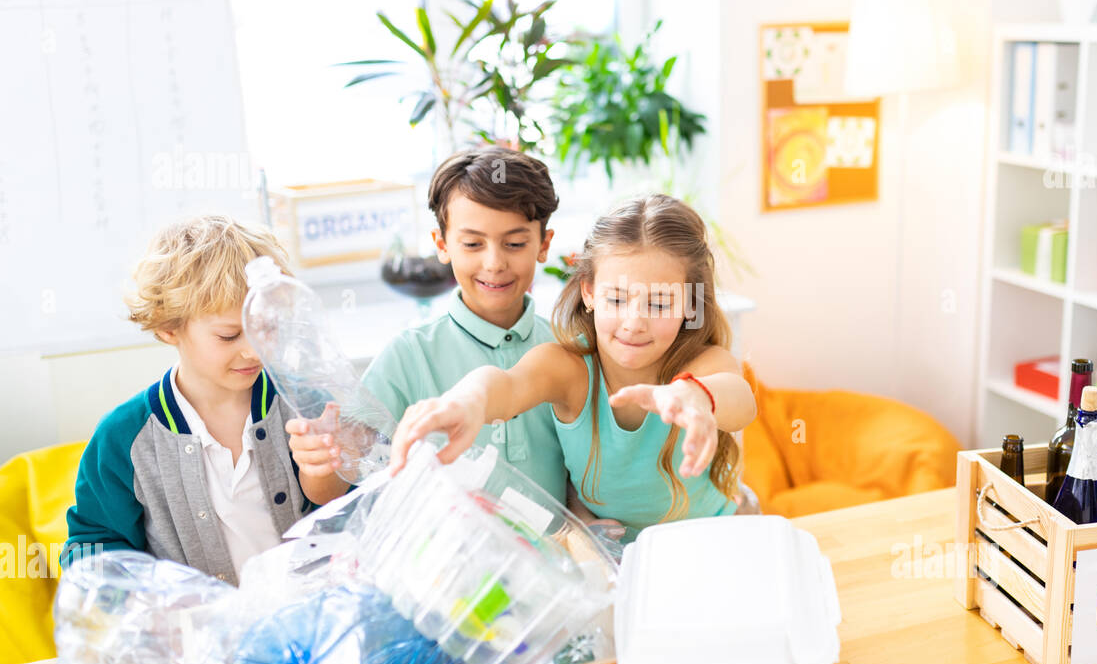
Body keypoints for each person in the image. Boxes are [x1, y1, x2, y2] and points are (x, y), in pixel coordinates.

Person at [388, 194, 757, 542]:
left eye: (659, 304)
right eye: (616, 298)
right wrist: (468, 402)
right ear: (589, 292)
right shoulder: (568, 368)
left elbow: (739, 399)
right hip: (616, 559)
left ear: (691, 303)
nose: (634, 322)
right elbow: (507, 385)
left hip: (714, 539)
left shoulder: (700, 362)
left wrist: (695, 395)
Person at [286, 146, 570, 508]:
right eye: (472, 244)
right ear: (442, 245)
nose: (494, 262)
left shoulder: (567, 348)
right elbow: (327, 491)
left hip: (557, 559)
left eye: (514, 243)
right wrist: (320, 461)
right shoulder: (409, 355)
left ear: (544, 245)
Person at [61, 216, 309, 584]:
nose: (254, 350)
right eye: (229, 336)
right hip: (197, 635)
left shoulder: (302, 404)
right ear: (168, 326)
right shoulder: (123, 438)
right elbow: (92, 547)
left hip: (306, 622)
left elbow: (349, 509)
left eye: (266, 326)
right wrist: (141, 601)